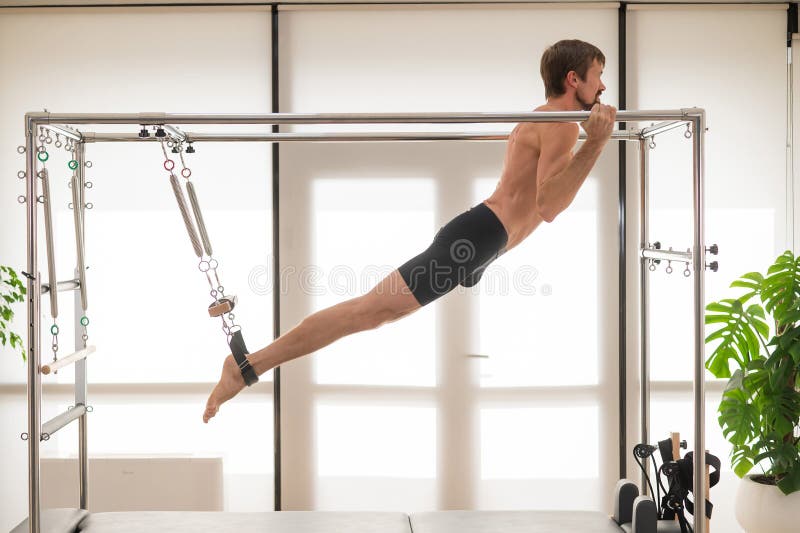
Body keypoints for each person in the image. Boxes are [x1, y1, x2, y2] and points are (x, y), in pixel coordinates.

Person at [203, 39, 616, 423]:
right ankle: (247, 366)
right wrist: (596, 142)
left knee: (371, 315)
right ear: (573, 79)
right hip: (476, 239)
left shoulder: (547, 120)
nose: (602, 86)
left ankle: (248, 366)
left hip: (485, 240)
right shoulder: (561, 124)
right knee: (366, 313)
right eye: (598, 75)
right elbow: (548, 205)